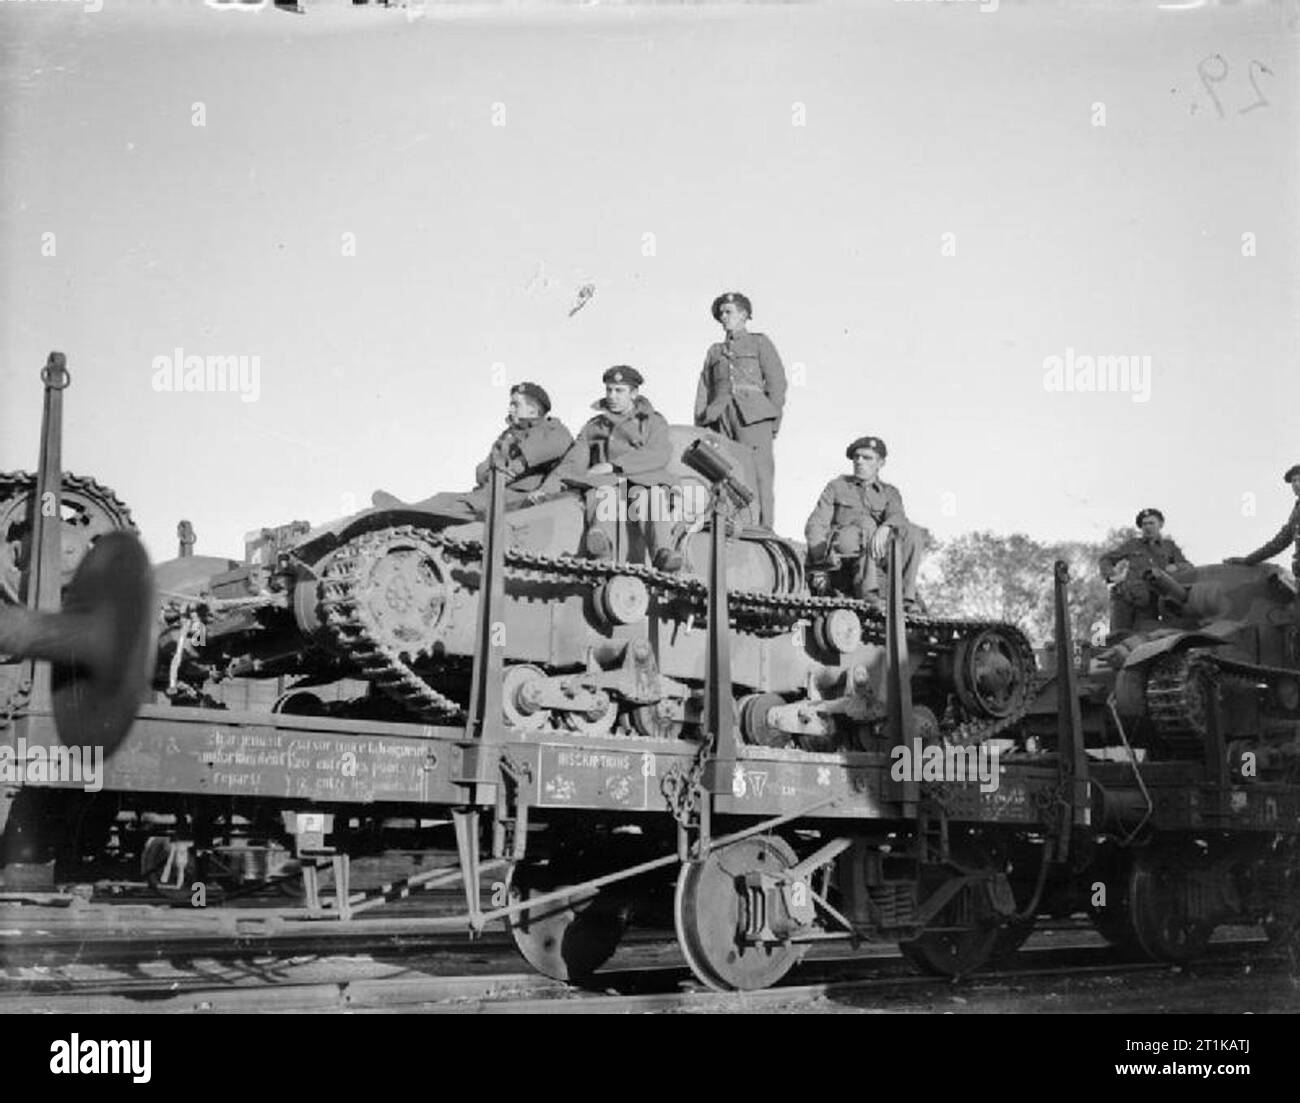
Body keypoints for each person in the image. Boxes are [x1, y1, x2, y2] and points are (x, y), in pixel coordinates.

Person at [541, 365, 683, 572]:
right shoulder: (595, 426)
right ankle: (601, 545)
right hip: (607, 486)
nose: (612, 396)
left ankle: (663, 553)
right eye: (609, 390)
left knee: (649, 497)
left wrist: (614, 465)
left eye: (619, 391)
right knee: (601, 494)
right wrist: (546, 489)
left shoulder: (653, 422)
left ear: (634, 394)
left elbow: (658, 454)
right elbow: (573, 462)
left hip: (644, 481)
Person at [373, 382, 570, 517]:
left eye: (515, 405)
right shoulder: (508, 436)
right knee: (446, 498)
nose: (510, 409)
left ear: (533, 410)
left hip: (520, 497)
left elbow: (559, 443)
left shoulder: (550, 428)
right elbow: (483, 469)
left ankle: (406, 514)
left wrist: (516, 465)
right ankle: (407, 512)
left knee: (459, 504)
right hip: (492, 492)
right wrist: (493, 470)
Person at [693, 291, 786, 529]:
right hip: (719, 415)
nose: (724, 317)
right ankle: (729, 521)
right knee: (721, 469)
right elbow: (704, 387)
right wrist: (701, 424)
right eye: (721, 313)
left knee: (759, 472)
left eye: (729, 312)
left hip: (753, 415)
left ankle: (763, 527)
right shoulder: (714, 351)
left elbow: (777, 382)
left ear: (744, 315)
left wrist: (772, 420)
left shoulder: (759, 342)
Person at [804, 436, 922, 610]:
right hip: (843, 547)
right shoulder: (838, 486)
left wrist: (885, 527)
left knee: (912, 533)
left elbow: (898, 516)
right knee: (866, 524)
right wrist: (819, 564)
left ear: (880, 463)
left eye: (867, 458)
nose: (859, 461)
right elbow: (816, 523)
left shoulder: (889, 492)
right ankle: (869, 594)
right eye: (856, 457)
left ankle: (906, 599)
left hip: (875, 550)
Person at [1098, 508, 1191, 633]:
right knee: (1118, 639)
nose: (1147, 527)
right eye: (1144, 524)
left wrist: (1176, 567)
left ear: (1160, 524)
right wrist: (1112, 576)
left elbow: (1188, 566)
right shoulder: (1133, 544)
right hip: (1125, 600)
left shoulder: (1169, 547)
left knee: (1143, 641)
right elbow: (1106, 559)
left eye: (1151, 523)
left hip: (1150, 605)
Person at [1226, 463, 1300, 575]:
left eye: (1299, 480)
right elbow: (1279, 543)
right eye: (1293, 481)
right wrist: (1248, 560)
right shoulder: (1296, 514)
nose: (1296, 484)